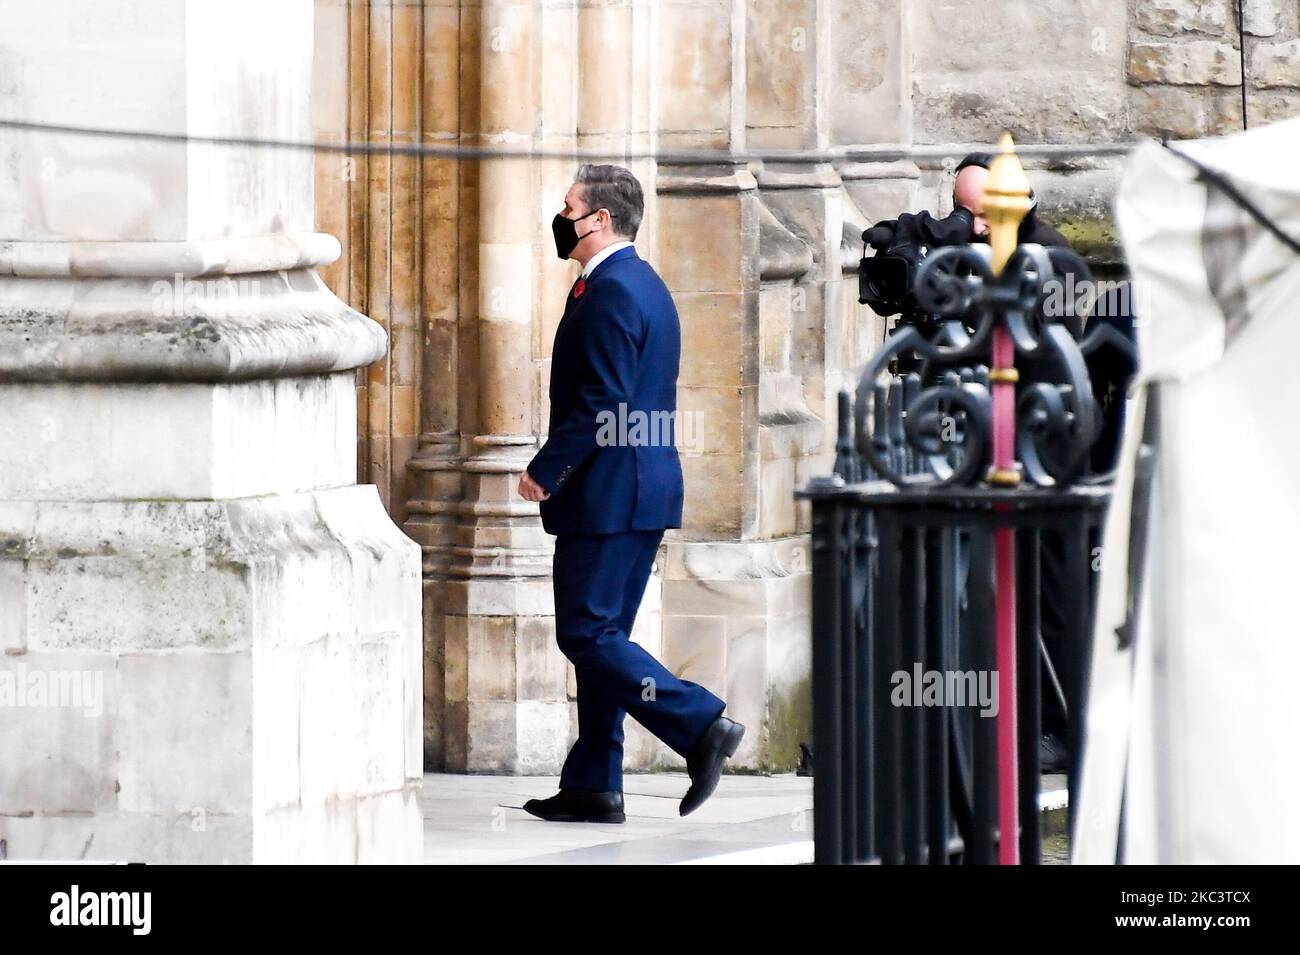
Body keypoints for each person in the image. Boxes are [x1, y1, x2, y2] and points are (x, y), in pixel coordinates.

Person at [518, 164, 745, 823]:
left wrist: (548, 467)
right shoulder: (630, 282)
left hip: (612, 492)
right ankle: (594, 782)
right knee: (603, 633)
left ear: (601, 220)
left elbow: (603, 401)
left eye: (569, 208)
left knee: (586, 631)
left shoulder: (616, 289)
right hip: (632, 489)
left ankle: (699, 722)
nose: (561, 218)